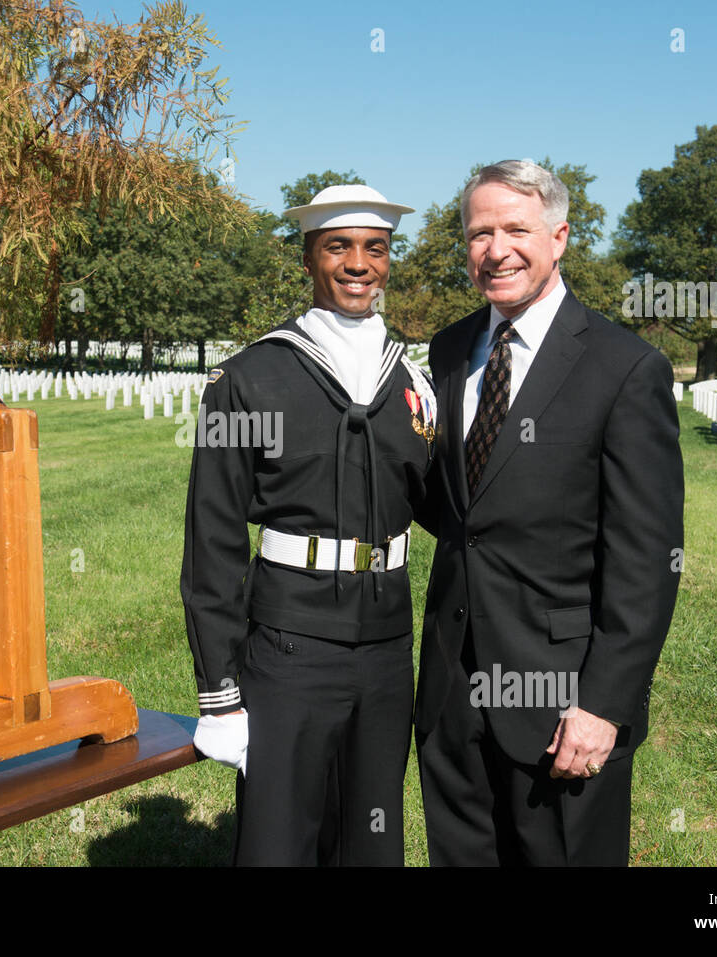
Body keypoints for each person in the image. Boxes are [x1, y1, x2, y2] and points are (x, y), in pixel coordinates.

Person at [414, 160, 684, 866]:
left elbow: (645, 562)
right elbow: (455, 510)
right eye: (478, 232)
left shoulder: (625, 369)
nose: (495, 249)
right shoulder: (449, 350)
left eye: (515, 229)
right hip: (451, 687)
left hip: (560, 700)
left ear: (559, 237)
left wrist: (604, 704)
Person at [180, 184, 436, 865]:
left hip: (386, 644)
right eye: (338, 247)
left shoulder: (414, 382)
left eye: (374, 248)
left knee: (372, 840)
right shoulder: (249, 377)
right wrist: (219, 694)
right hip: (290, 646)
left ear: (388, 260)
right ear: (308, 259)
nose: (359, 263)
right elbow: (213, 539)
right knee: (278, 842)